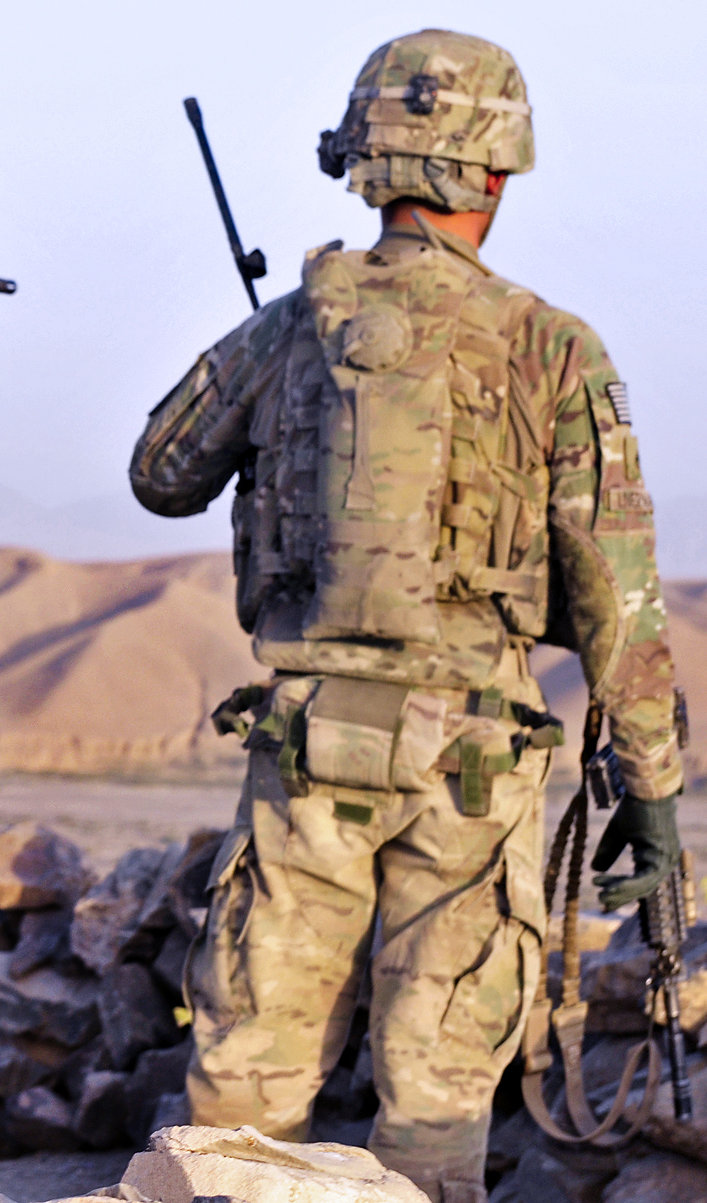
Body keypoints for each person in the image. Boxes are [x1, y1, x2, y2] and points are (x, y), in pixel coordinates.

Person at [130, 30, 684, 1203]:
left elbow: (159, 472)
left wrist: (277, 395)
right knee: (433, 1094)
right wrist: (650, 794)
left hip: (308, 744)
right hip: (471, 760)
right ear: (494, 173)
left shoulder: (292, 324)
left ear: (362, 163)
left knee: (244, 1081)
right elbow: (613, 594)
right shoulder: (551, 346)